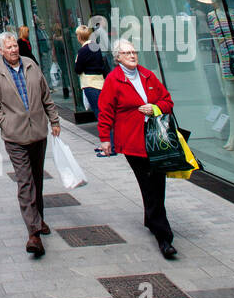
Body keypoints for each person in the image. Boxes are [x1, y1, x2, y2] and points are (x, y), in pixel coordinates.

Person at [97, 39, 177, 259]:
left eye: (134, 52)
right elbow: (105, 111)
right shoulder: (114, 80)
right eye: (127, 53)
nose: (132, 55)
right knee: (149, 184)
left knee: (156, 183)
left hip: (156, 139)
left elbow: (168, 101)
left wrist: (155, 107)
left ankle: (152, 220)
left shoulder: (148, 75)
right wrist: (105, 139)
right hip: (132, 143)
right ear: (118, 58)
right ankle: (164, 237)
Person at [0, 31, 61, 256]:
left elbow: (46, 96)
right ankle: (33, 234)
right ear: (0, 51)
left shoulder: (31, 66)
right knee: (25, 181)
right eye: (9, 47)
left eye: (15, 46)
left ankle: (39, 219)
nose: (14, 50)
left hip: (38, 132)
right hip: (15, 136)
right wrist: (5, 122)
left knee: (37, 178)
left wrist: (54, 120)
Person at [75, 24, 107, 119]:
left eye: (77, 35)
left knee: (99, 112)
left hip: (89, 83)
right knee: (104, 111)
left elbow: (78, 69)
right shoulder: (96, 47)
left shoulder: (83, 51)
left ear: (80, 37)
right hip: (100, 82)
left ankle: (108, 134)